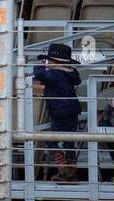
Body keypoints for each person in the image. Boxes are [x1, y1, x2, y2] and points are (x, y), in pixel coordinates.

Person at [32, 43, 82, 181]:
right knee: (69, 142)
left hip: (60, 111)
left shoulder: (55, 74)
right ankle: (71, 170)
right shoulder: (68, 73)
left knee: (52, 141)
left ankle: (64, 168)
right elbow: (77, 79)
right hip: (70, 110)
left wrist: (40, 65)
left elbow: (39, 73)